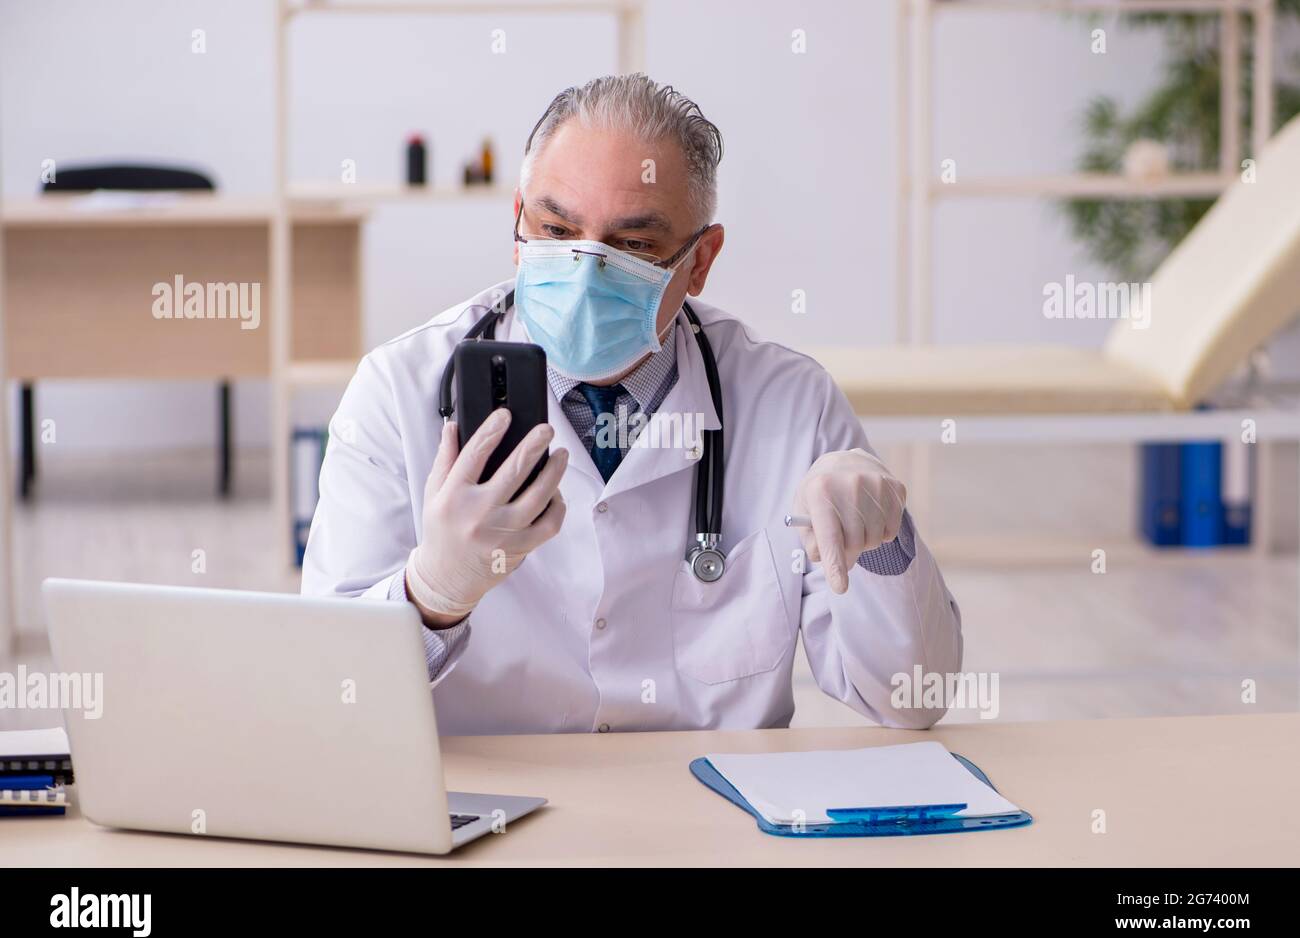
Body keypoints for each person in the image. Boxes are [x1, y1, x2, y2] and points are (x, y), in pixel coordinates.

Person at [302, 74, 962, 735]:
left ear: (701, 260)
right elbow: (330, 697)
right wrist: (433, 595)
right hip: (486, 817)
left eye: (633, 246)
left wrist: (882, 542)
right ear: (517, 227)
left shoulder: (790, 405)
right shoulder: (397, 391)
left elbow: (909, 699)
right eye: (557, 228)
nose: (585, 273)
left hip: (709, 818)